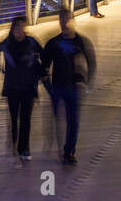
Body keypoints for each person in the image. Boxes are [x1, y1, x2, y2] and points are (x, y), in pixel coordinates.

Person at [41, 9, 96, 165]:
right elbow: (44, 67)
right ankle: (55, 144)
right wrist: (48, 87)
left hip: (73, 87)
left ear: (72, 20)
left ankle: (69, 151)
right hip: (57, 87)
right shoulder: (53, 43)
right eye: (61, 19)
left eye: (67, 19)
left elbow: (91, 61)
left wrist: (86, 82)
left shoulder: (80, 41)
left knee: (73, 121)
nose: (64, 22)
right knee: (56, 119)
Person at [0, 17, 45, 160]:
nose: (20, 31)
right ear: (13, 29)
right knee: (14, 118)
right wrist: (0, 67)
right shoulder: (7, 43)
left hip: (28, 87)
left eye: (22, 27)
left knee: (25, 118)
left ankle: (24, 149)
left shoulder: (31, 42)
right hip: (12, 87)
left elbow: (44, 55)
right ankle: (14, 141)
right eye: (17, 28)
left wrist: (38, 70)